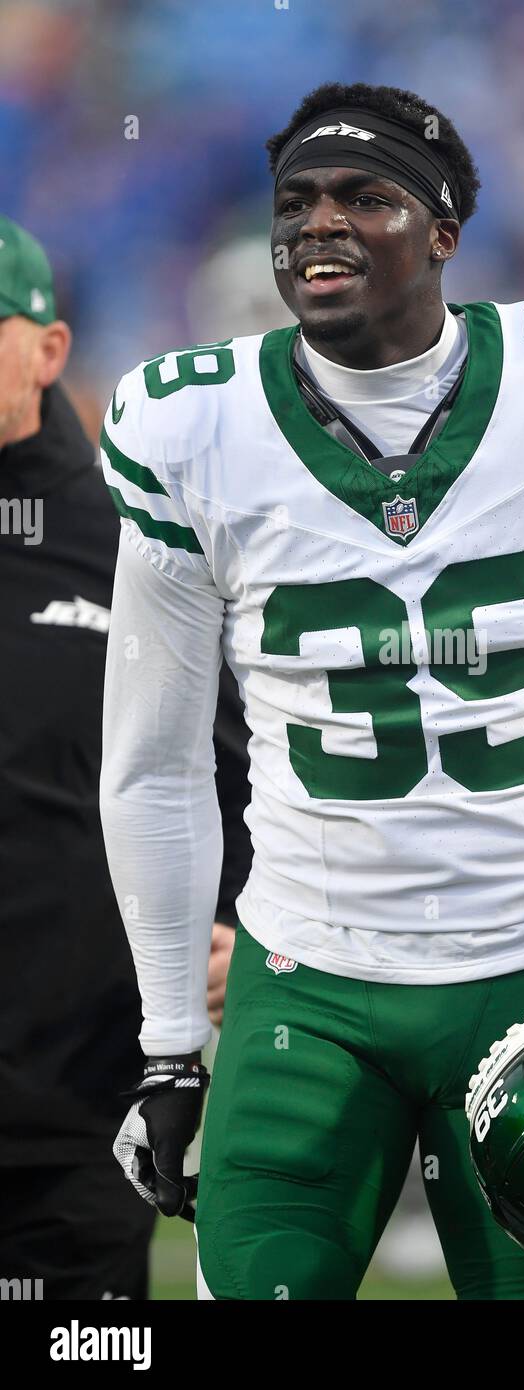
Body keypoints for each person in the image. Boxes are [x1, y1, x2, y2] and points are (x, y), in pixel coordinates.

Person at [101, 82, 524, 1301]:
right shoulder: (187, 426)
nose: (320, 225)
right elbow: (152, 762)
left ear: (443, 230)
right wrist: (167, 1044)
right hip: (308, 984)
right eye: (296, 202)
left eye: (366, 198)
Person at [0, 215, 251, 1300]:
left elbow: (258, 769)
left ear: (50, 349)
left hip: (73, 1118)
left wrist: (256, 920)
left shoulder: (141, 533)